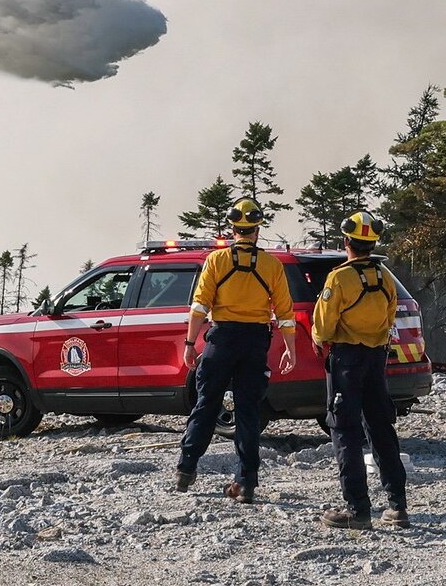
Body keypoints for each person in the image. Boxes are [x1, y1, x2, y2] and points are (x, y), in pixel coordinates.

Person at [175, 200, 296, 503]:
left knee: (206, 405)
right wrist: (290, 348)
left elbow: (200, 305)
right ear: (257, 230)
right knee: (248, 413)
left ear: (233, 229)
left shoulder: (216, 261)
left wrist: (190, 344)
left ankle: (186, 468)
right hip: (255, 343)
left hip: (222, 340)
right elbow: (284, 312)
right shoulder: (271, 265)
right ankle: (246, 483)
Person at [314, 211, 408, 529]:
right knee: (381, 429)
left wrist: (318, 339)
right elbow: (390, 314)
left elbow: (324, 326)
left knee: (345, 431)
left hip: (346, 361)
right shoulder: (384, 276)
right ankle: (398, 506)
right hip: (375, 359)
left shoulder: (339, 278)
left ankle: (357, 510)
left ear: (347, 242)